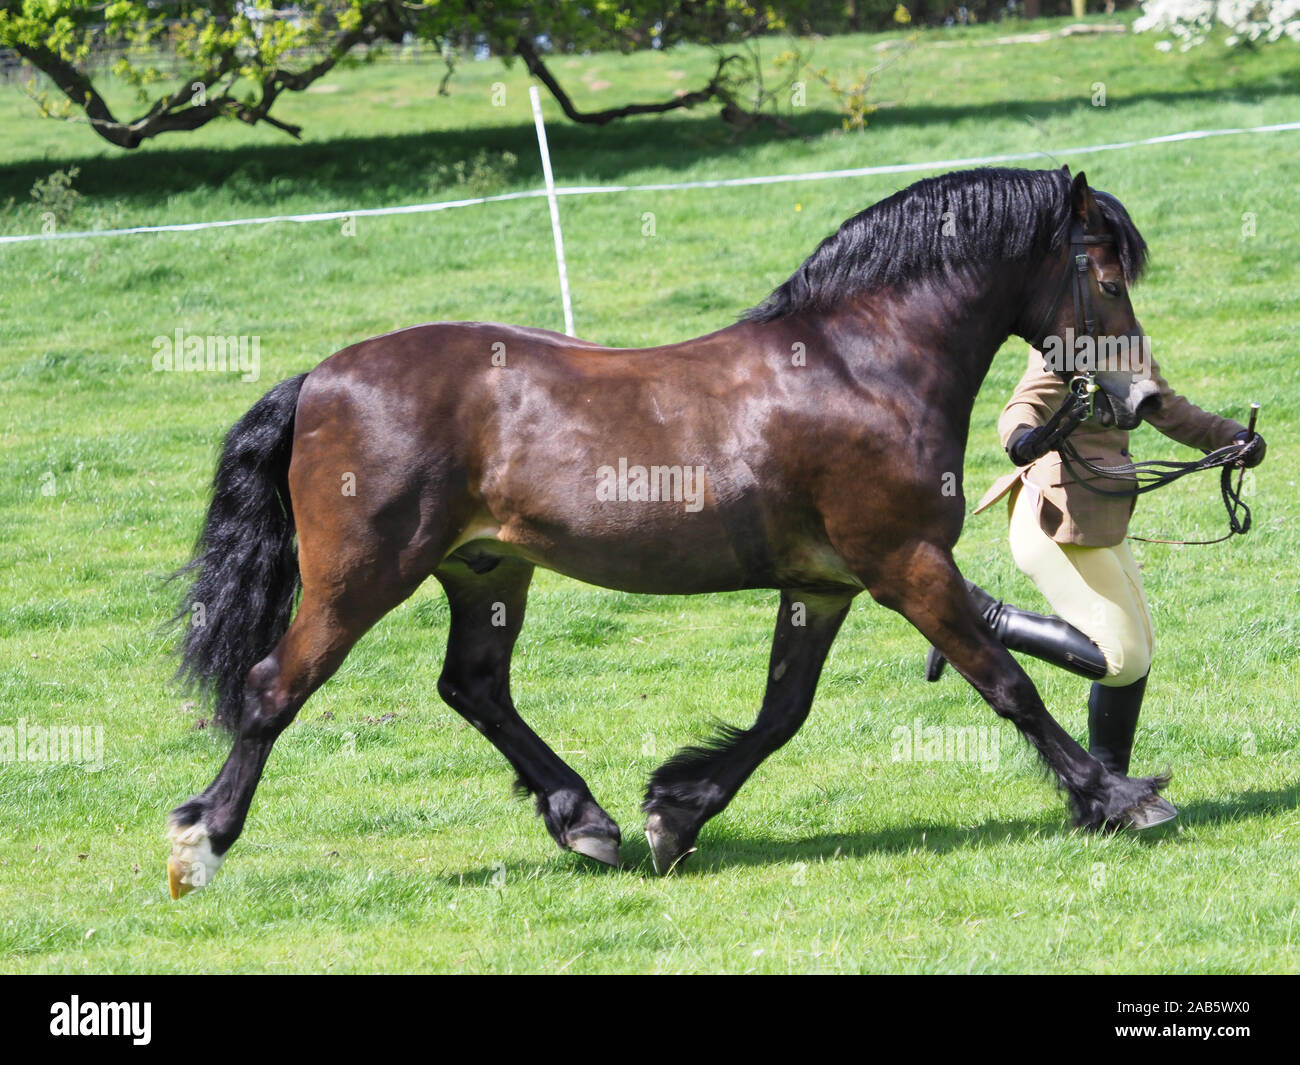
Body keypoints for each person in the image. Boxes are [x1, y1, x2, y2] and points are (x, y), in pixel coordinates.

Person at [925, 345, 1266, 797]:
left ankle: (1112, 792)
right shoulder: (1066, 335)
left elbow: (1166, 407)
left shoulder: (1122, 334)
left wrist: (1232, 437)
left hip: (1099, 516)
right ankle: (978, 615)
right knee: (1122, 659)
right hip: (1054, 517)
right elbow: (1024, 403)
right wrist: (1022, 437)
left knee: (1138, 651)